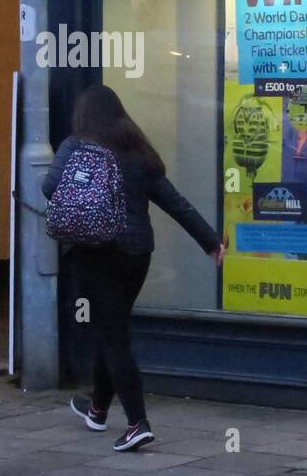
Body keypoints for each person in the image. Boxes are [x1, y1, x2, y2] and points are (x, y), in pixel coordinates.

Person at [43, 85, 225, 451]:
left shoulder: (76, 146)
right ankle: (96, 408)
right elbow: (175, 202)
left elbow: (50, 187)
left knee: (114, 336)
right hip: (136, 255)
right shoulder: (137, 151)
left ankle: (137, 422)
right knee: (113, 327)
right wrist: (210, 242)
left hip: (96, 252)